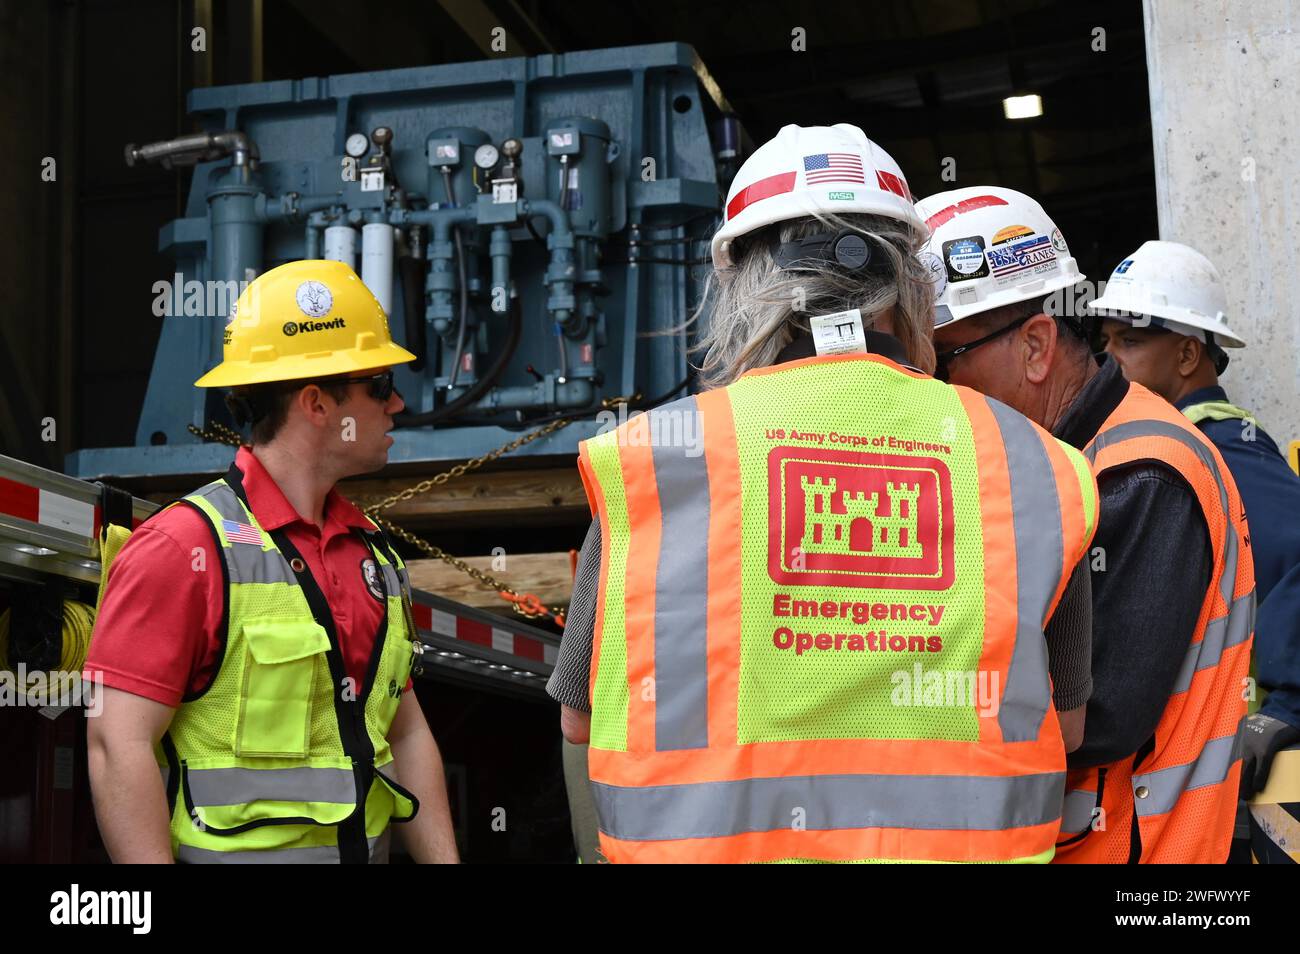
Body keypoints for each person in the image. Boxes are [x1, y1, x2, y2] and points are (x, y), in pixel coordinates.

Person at [549, 124, 1100, 863]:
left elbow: (582, 723)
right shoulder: (1037, 466)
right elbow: (1063, 729)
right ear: (910, 278)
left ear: (740, 284)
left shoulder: (656, 462)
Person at [920, 187, 1254, 863]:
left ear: (1037, 347)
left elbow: (1097, 717)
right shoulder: (1056, 464)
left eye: (944, 359)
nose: (930, 388)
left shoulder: (1140, 472)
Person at [85, 260, 459, 863]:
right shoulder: (183, 548)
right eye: (381, 384)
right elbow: (115, 743)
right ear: (316, 404)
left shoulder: (373, 555)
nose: (398, 404)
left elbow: (404, 730)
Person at [1090, 240, 1300, 854]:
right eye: (1106, 341)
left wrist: (1284, 715)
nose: (1110, 359)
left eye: (1128, 342)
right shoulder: (1175, 448)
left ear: (1187, 353)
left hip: (1251, 763)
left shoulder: (1219, 453)